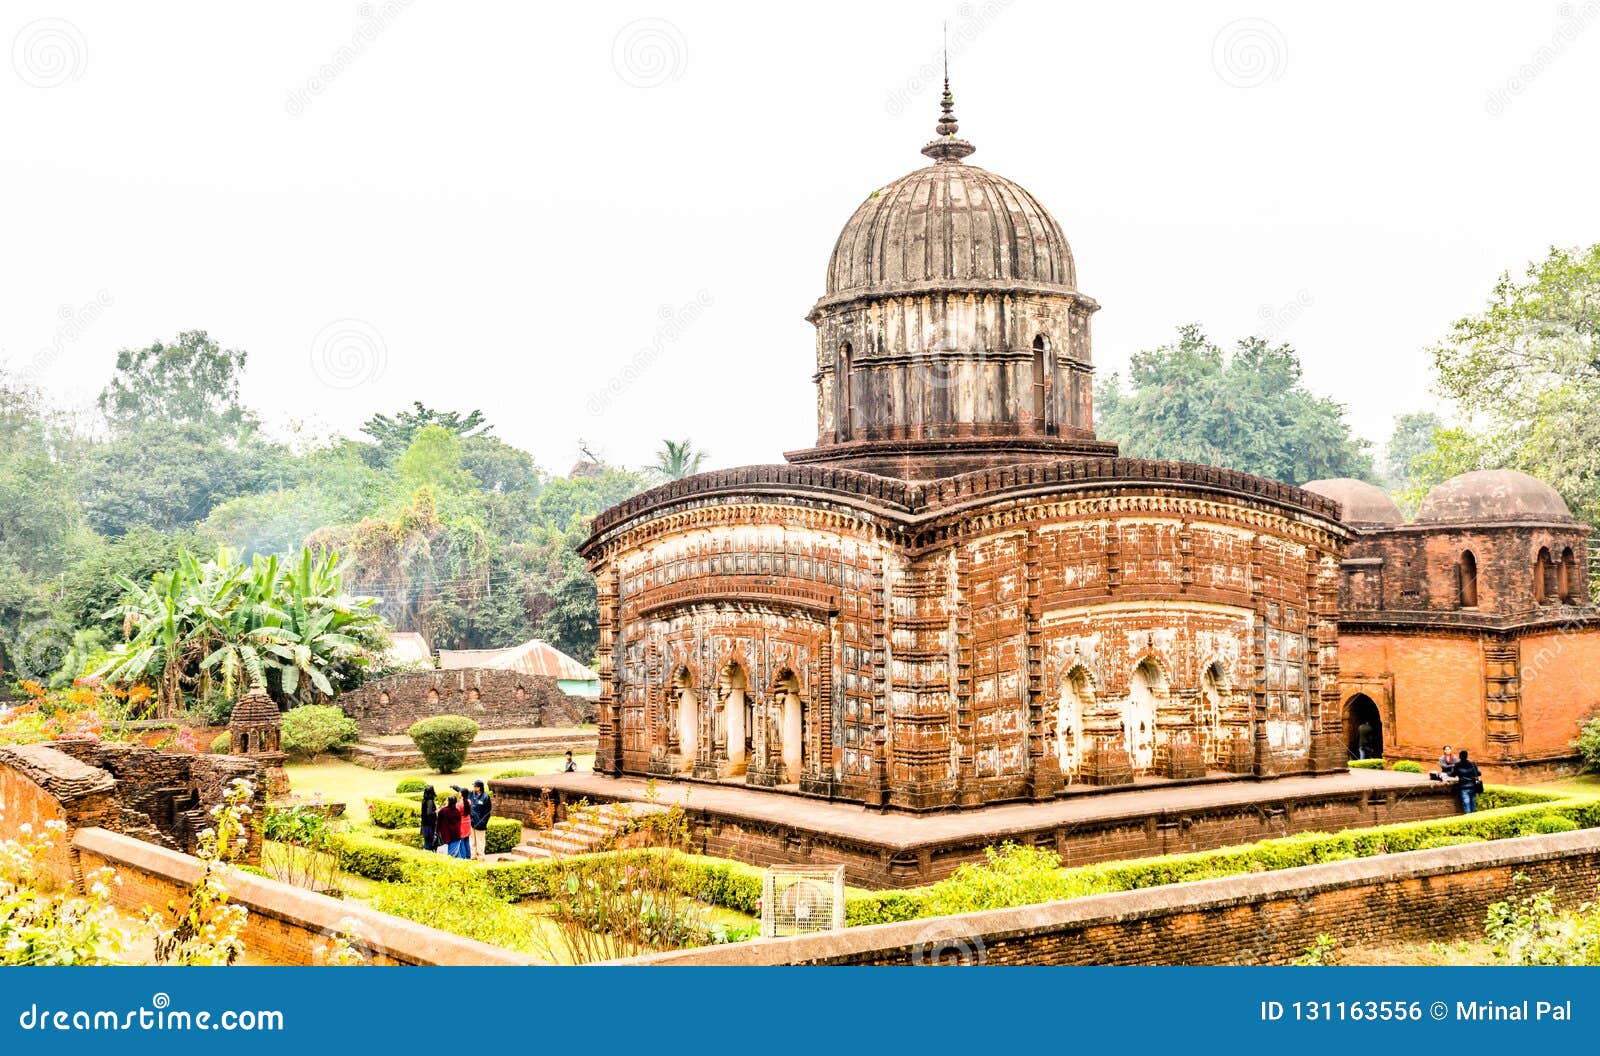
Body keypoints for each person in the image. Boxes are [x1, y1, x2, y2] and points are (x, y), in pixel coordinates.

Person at [452, 780, 493, 859]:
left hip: (480, 823)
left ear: (479, 788)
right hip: (472, 822)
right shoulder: (471, 794)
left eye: (475, 786)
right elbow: (462, 790)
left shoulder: (485, 797)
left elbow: (488, 812)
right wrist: (454, 786)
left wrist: (483, 822)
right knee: (472, 840)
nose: (473, 787)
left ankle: (481, 857)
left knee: (480, 841)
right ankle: (473, 856)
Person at [1448, 748, 1483, 814]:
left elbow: (1453, 774)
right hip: (1473, 786)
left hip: (1464, 786)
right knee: (1473, 804)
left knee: (1466, 804)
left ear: (1460, 756)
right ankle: (1473, 818)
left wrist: (1448, 773)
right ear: (1467, 756)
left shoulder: (1457, 765)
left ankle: (1468, 818)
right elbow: (1479, 773)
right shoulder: (1472, 764)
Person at [436, 794, 470, 858]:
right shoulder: (457, 811)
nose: (446, 801)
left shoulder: (443, 811)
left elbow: (438, 823)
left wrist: (437, 832)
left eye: (447, 800)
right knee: (456, 852)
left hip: (447, 835)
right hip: (456, 835)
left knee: (451, 854)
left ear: (449, 802)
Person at [420, 785, 439, 852]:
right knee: (429, 839)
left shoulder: (424, 800)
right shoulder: (430, 801)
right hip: (429, 824)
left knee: (426, 839)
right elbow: (429, 813)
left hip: (424, 824)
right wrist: (436, 811)